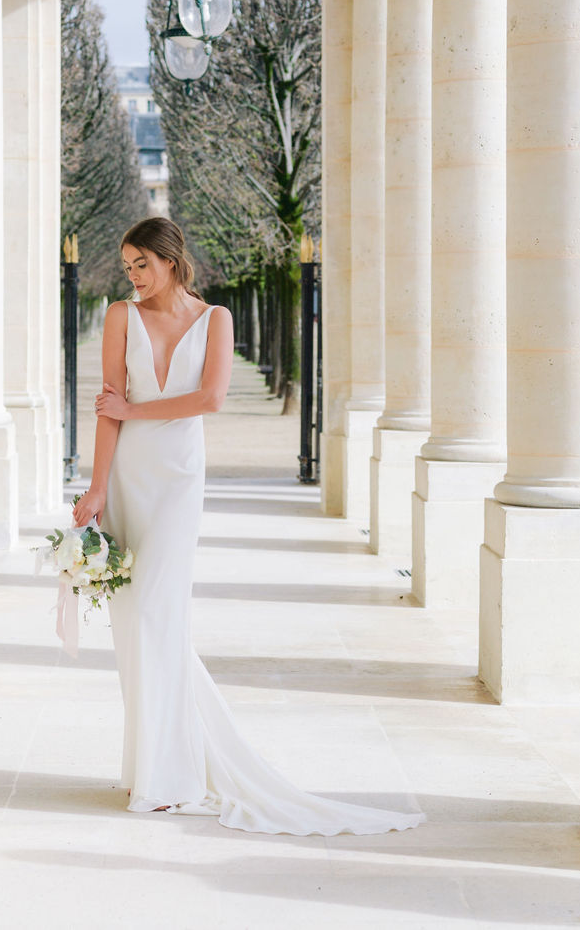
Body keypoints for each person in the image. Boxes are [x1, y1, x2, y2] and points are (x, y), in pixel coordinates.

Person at [72, 216, 423, 836]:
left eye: (141, 265)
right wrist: (96, 487)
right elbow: (107, 407)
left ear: (171, 260)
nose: (132, 276)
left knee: (159, 610)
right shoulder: (121, 318)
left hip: (178, 477)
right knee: (134, 620)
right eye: (126, 266)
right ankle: (153, 769)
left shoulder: (216, 320)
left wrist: (136, 408)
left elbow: (209, 400)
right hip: (128, 475)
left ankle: (168, 774)